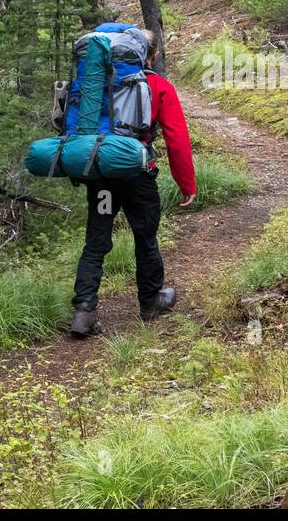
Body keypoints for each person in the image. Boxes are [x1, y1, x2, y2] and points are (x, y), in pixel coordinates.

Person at [70, 31, 195, 337]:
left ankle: (84, 310)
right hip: (137, 174)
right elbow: (176, 138)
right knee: (145, 235)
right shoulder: (156, 85)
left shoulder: (94, 84)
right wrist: (186, 183)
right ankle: (151, 301)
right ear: (148, 56)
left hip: (100, 174)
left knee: (96, 238)